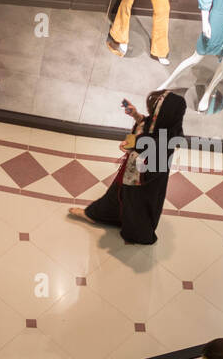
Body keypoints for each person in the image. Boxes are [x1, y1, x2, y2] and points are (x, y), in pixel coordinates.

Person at [68, 89, 187, 245]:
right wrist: (136, 115)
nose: (150, 114)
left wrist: (130, 144)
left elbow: (141, 144)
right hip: (133, 176)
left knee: (135, 205)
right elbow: (148, 125)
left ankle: (137, 235)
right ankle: (96, 214)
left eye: (153, 111)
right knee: (117, 194)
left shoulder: (162, 142)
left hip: (142, 182)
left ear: (162, 114)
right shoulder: (168, 126)